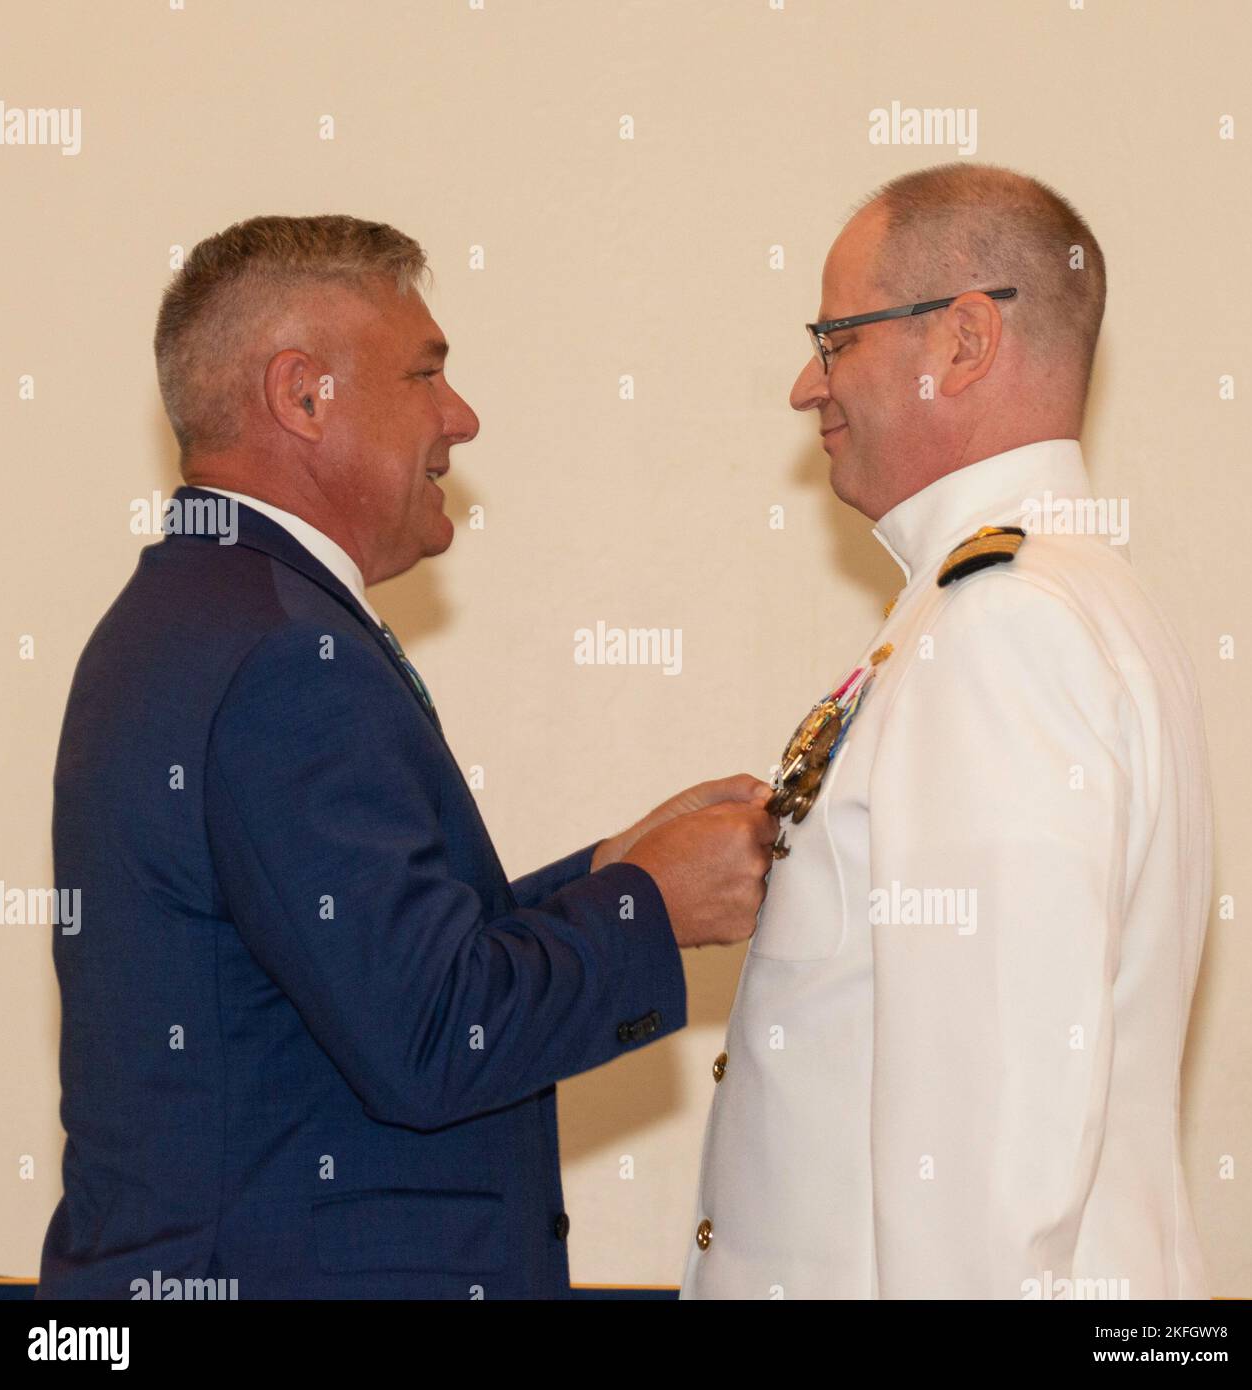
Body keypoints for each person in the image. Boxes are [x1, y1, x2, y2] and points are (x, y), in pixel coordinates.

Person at [39, 213, 777, 1300]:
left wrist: (606, 870)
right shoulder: (286, 653)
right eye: (427, 371)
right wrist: (644, 907)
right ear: (303, 396)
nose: (460, 416)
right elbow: (432, 1035)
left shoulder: (196, 612)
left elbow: (361, 972)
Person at [681, 164, 1212, 1300]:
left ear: (962, 342)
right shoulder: (1054, 598)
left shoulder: (1001, 626)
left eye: (835, 340)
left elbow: (989, 1152)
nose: (803, 387)